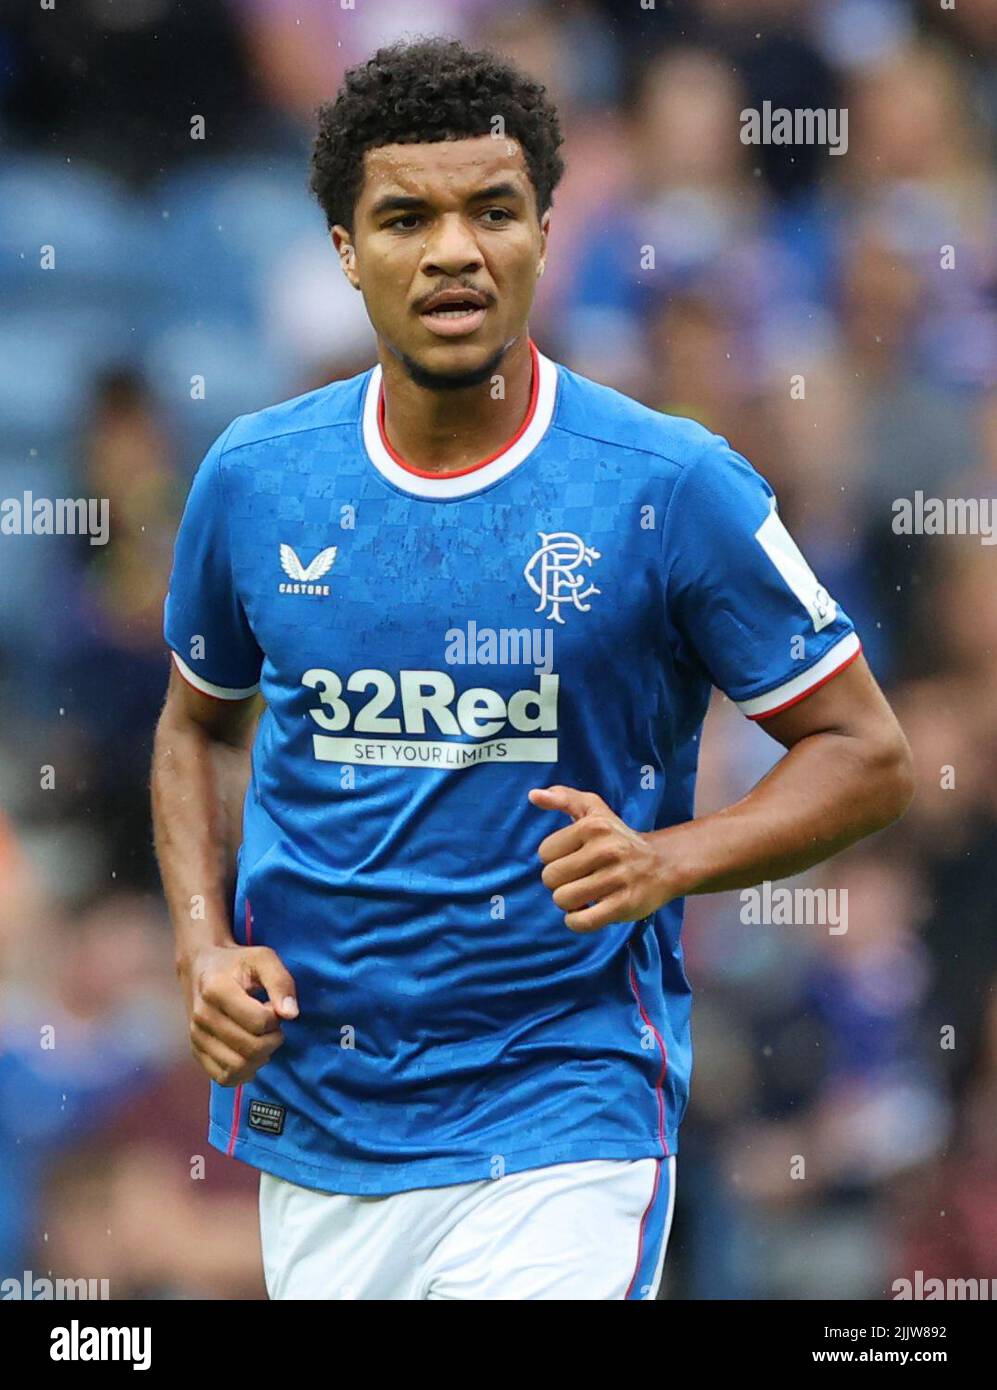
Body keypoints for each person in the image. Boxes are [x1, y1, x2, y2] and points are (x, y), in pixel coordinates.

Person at [151, 37, 914, 1301]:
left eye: (491, 209)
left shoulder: (670, 485)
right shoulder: (253, 476)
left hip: (565, 1110)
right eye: (406, 216)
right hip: (326, 1120)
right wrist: (196, 945)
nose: (453, 248)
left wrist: (671, 858)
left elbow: (869, 753)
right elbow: (195, 729)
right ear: (345, 250)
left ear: (545, 233)